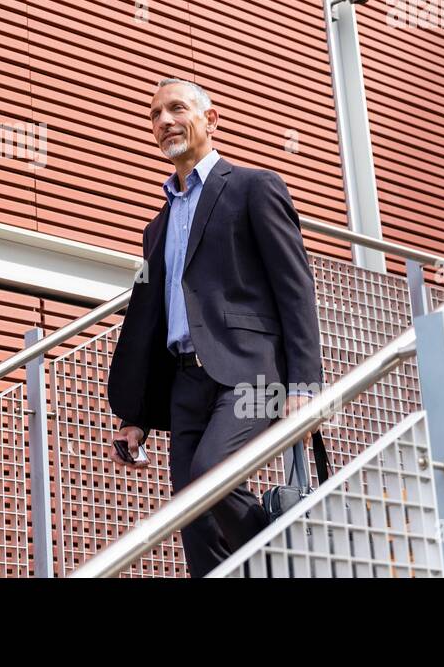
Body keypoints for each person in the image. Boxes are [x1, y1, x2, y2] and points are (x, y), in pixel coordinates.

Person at [106, 78, 324, 577]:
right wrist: (135, 413)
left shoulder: (253, 188)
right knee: (194, 518)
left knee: (211, 478)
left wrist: (305, 386)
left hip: (251, 374)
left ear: (211, 118)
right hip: (186, 383)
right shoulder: (156, 227)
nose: (164, 122)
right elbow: (149, 318)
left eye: (176, 109)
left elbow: (295, 288)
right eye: (155, 115)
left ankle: (290, 565)